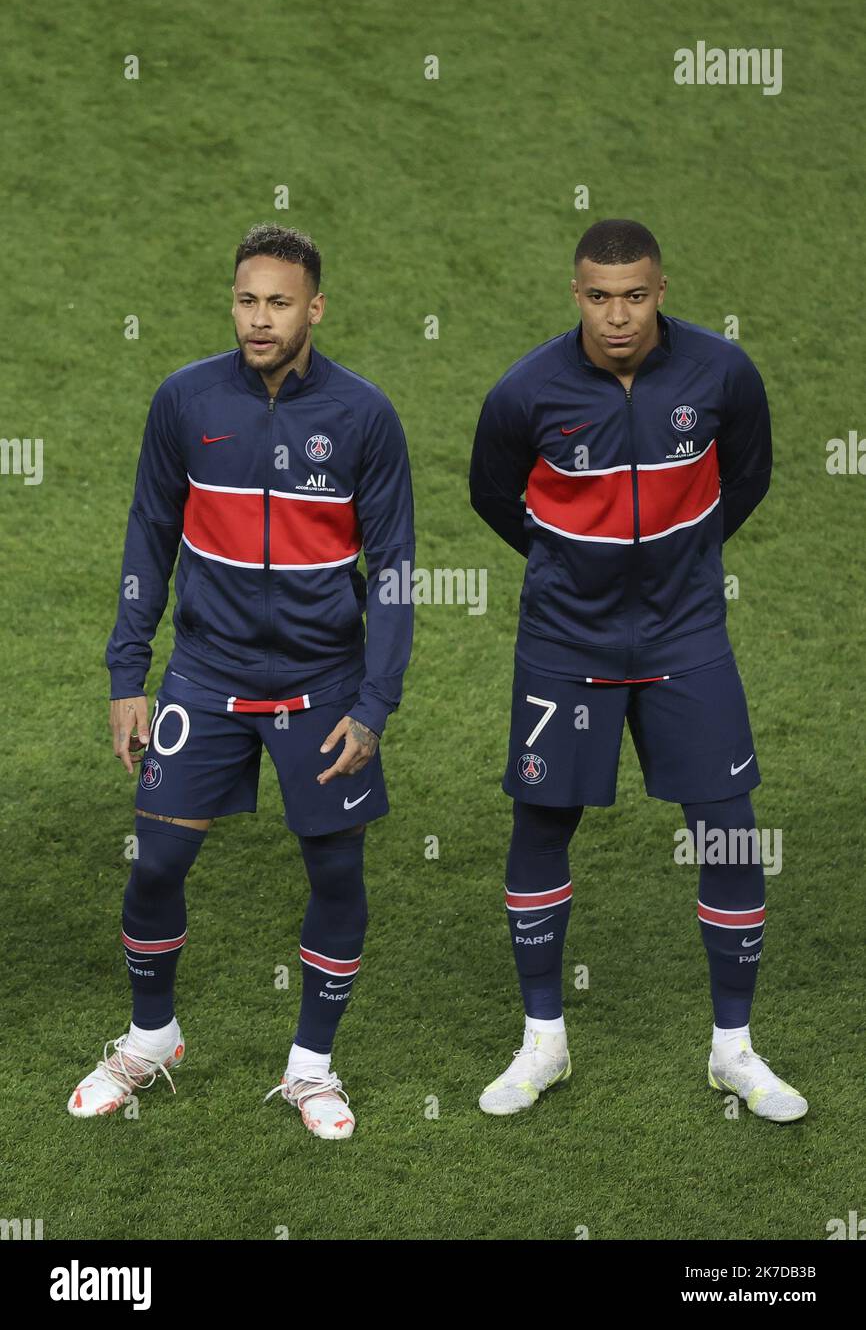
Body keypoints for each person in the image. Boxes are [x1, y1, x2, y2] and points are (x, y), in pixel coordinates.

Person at [68, 224, 415, 1140]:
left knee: (335, 873)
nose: (260, 320)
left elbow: (395, 573)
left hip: (323, 685)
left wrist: (375, 705)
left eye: (280, 302)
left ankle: (312, 1068)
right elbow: (149, 533)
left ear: (316, 308)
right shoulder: (185, 400)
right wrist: (126, 671)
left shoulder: (364, 416)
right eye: (246, 299)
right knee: (157, 863)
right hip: (206, 677)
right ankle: (152, 1039)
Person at [469, 218, 806, 1123]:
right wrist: (574, 567)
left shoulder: (722, 373)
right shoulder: (524, 392)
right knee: (542, 826)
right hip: (564, 646)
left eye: (636, 295)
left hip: (684, 640)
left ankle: (734, 1051)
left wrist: (678, 563)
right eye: (598, 296)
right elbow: (494, 495)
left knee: (729, 829)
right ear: (575, 293)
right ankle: (544, 1042)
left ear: (661, 290)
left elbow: (749, 477)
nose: (618, 316)